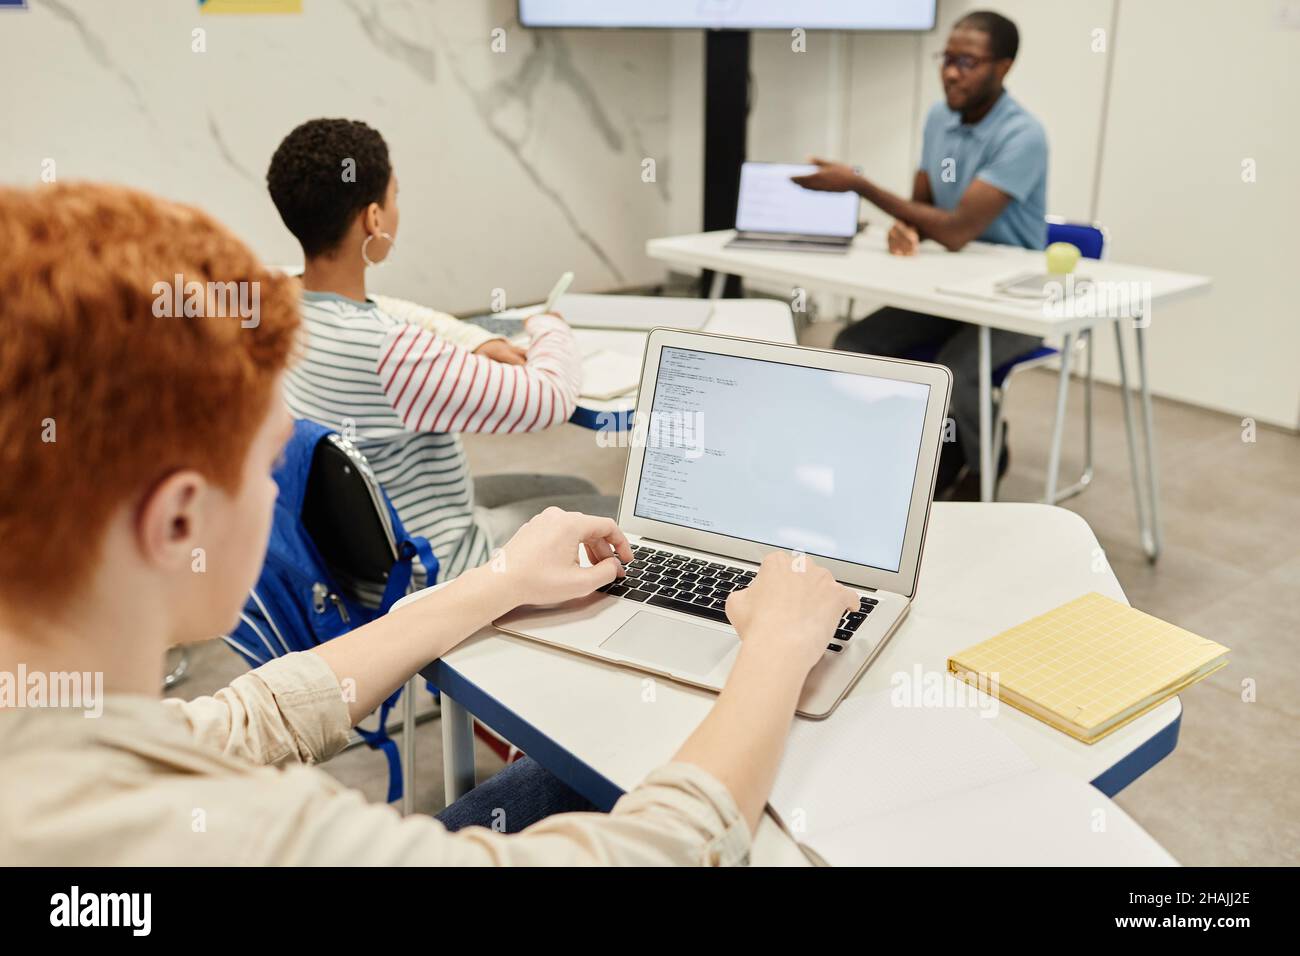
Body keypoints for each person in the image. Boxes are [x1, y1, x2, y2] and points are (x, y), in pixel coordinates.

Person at [0, 182, 859, 865]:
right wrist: (777, 650)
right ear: (179, 518)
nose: (275, 492)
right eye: (267, 466)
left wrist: (501, 583)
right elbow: (667, 851)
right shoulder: (238, 837)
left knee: (561, 782)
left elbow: (251, 717)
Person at [266, 117, 616, 587]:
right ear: (373, 219)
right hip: (441, 566)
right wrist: (550, 327)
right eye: (394, 197)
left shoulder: (276, 304)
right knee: (615, 515)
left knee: (578, 489)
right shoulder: (390, 351)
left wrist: (476, 340)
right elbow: (547, 398)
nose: (396, 210)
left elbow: (391, 308)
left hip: (365, 555)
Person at [793, 10, 1048, 499]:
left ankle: (983, 464)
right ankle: (894, 452)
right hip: (946, 289)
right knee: (853, 343)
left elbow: (956, 231)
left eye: (968, 62)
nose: (951, 72)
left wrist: (859, 185)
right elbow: (926, 208)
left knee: (959, 369)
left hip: (1013, 299)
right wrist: (905, 228)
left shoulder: (1023, 136)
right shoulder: (939, 119)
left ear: (1003, 67)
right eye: (947, 58)